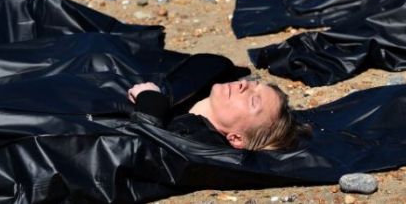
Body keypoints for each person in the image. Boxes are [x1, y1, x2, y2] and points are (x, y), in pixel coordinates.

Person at [127, 78, 309, 150]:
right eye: (253, 83)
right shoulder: (184, 113)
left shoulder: (198, 141)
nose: (243, 84)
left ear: (237, 138)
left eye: (253, 100)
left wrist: (150, 104)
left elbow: (133, 152)